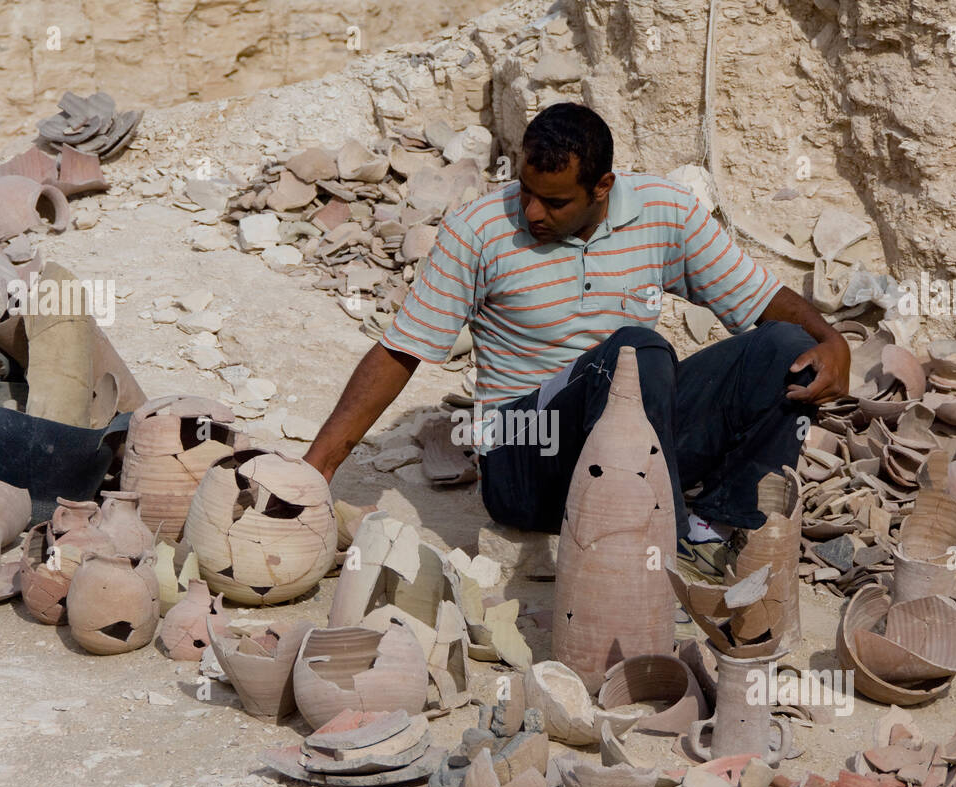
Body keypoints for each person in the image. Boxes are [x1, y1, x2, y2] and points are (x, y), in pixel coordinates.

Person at [304, 102, 849, 578]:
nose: (532, 213)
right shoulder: (478, 231)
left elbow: (758, 299)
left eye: (556, 202)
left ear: (602, 188)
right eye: (526, 192)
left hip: (631, 445)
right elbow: (403, 349)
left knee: (783, 348)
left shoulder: (665, 212)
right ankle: (665, 539)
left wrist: (832, 340)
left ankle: (721, 525)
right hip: (526, 459)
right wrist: (317, 467)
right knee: (637, 351)